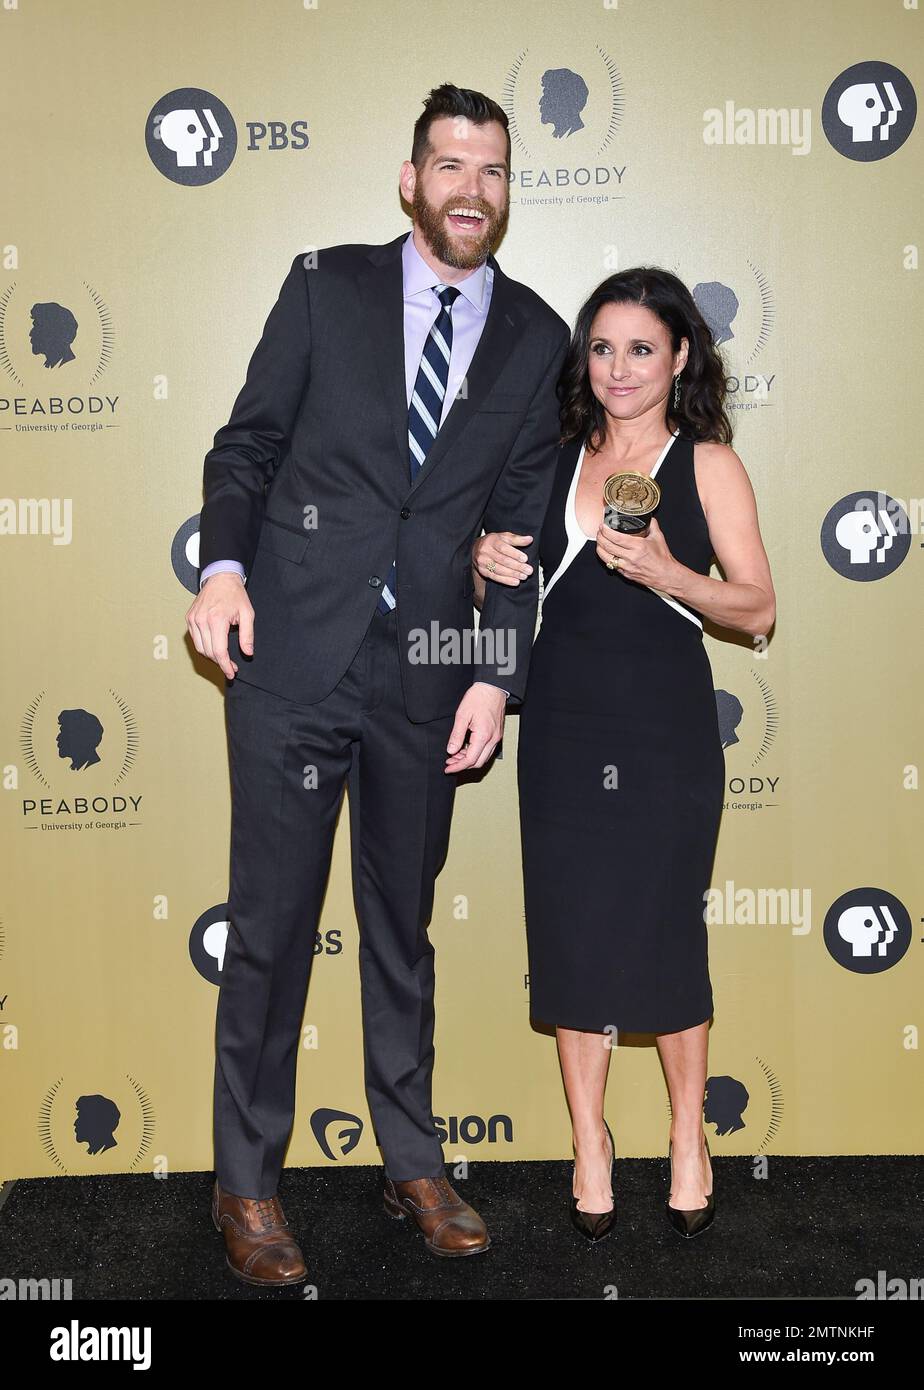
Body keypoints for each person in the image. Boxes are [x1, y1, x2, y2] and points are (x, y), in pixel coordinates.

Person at [185, 83, 570, 1284]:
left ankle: (413, 1161)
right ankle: (246, 1187)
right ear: (411, 180)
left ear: (508, 191)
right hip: (292, 658)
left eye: (492, 171)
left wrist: (495, 675)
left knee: (402, 928)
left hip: (429, 673)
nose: (470, 189)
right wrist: (229, 566)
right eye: (450, 166)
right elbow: (245, 445)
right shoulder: (325, 287)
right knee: (273, 931)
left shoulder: (539, 338)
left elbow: (522, 533)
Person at [471, 268, 775, 1241]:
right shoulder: (550, 456)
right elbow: (510, 590)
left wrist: (668, 571)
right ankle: (589, 1140)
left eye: (641, 348)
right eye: (602, 348)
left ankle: (690, 1136)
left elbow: (758, 606)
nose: (619, 368)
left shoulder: (709, 463)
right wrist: (484, 566)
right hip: (563, 722)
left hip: (663, 726)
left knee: (662, 930)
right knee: (573, 931)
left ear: (680, 355)